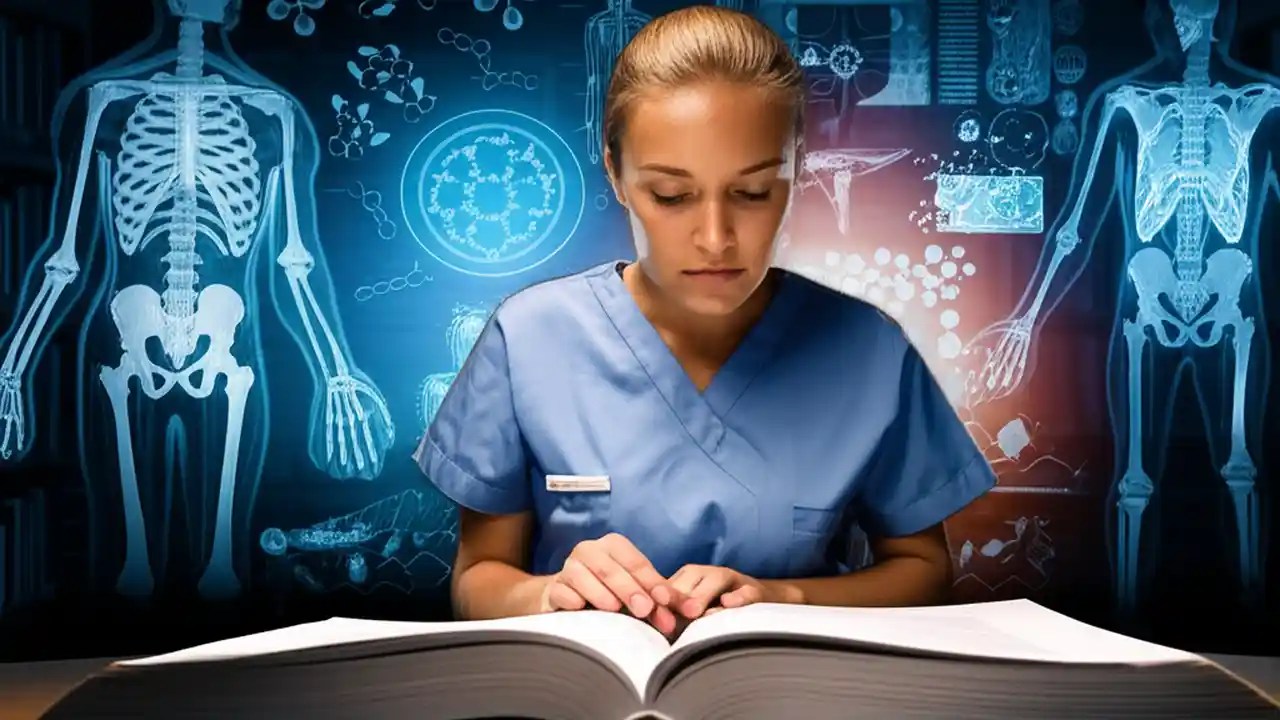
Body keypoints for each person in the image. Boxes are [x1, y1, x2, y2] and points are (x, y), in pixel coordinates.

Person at [413, 5, 996, 637]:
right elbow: (477, 578)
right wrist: (551, 595)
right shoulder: (528, 339)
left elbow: (924, 570)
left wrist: (782, 598)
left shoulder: (868, 352)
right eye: (671, 195)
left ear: (796, 168)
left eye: (752, 192)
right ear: (615, 171)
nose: (716, 239)